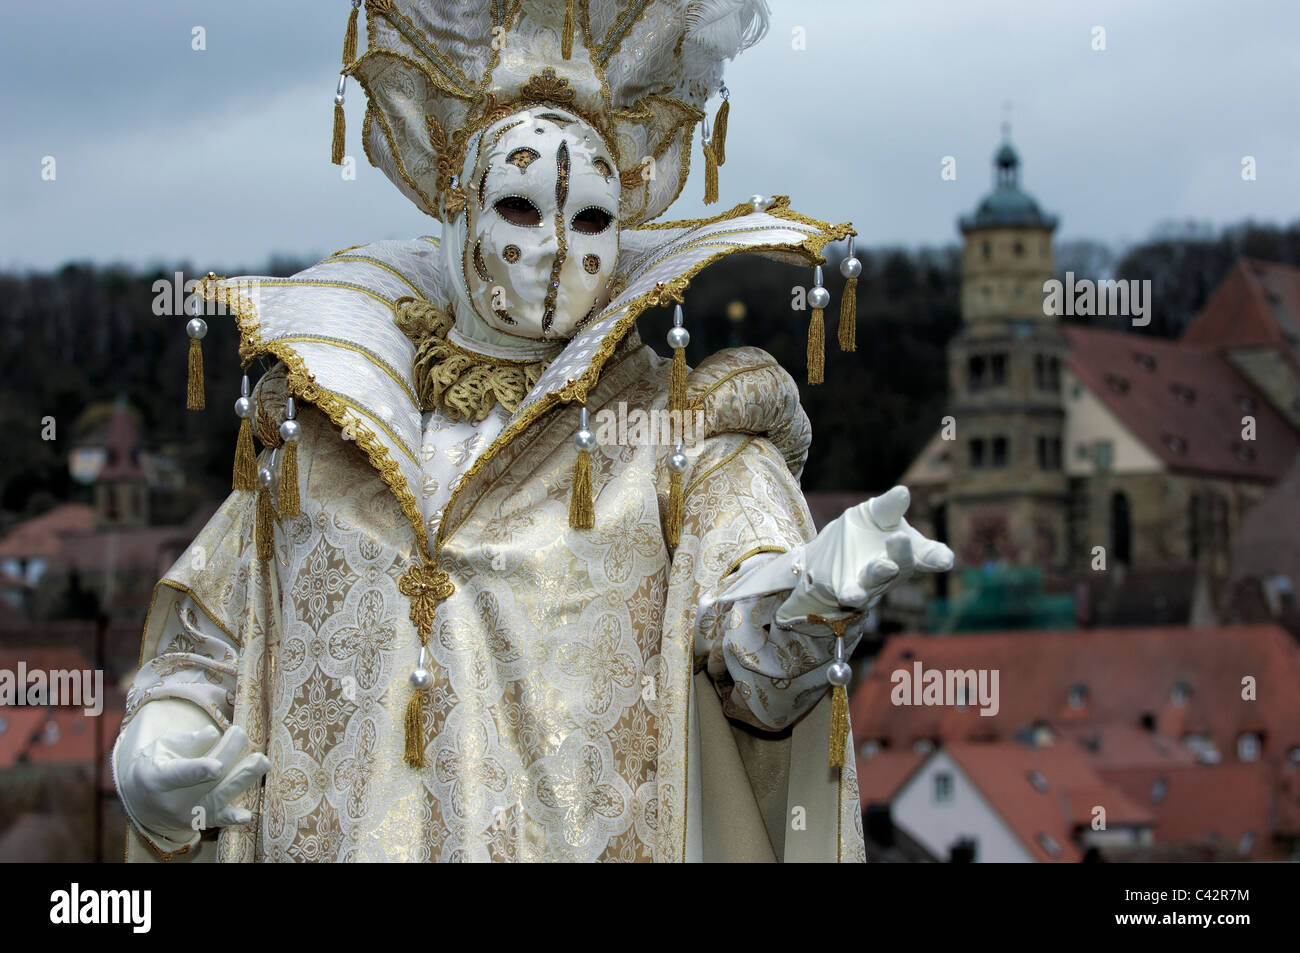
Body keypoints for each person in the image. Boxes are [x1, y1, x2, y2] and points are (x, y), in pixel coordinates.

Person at [113, 0, 952, 863]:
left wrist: (810, 597)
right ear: (459, 207)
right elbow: (207, 643)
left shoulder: (685, 438)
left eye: (591, 217)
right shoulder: (319, 439)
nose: (555, 246)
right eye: (519, 205)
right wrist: (159, 749)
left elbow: (753, 668)